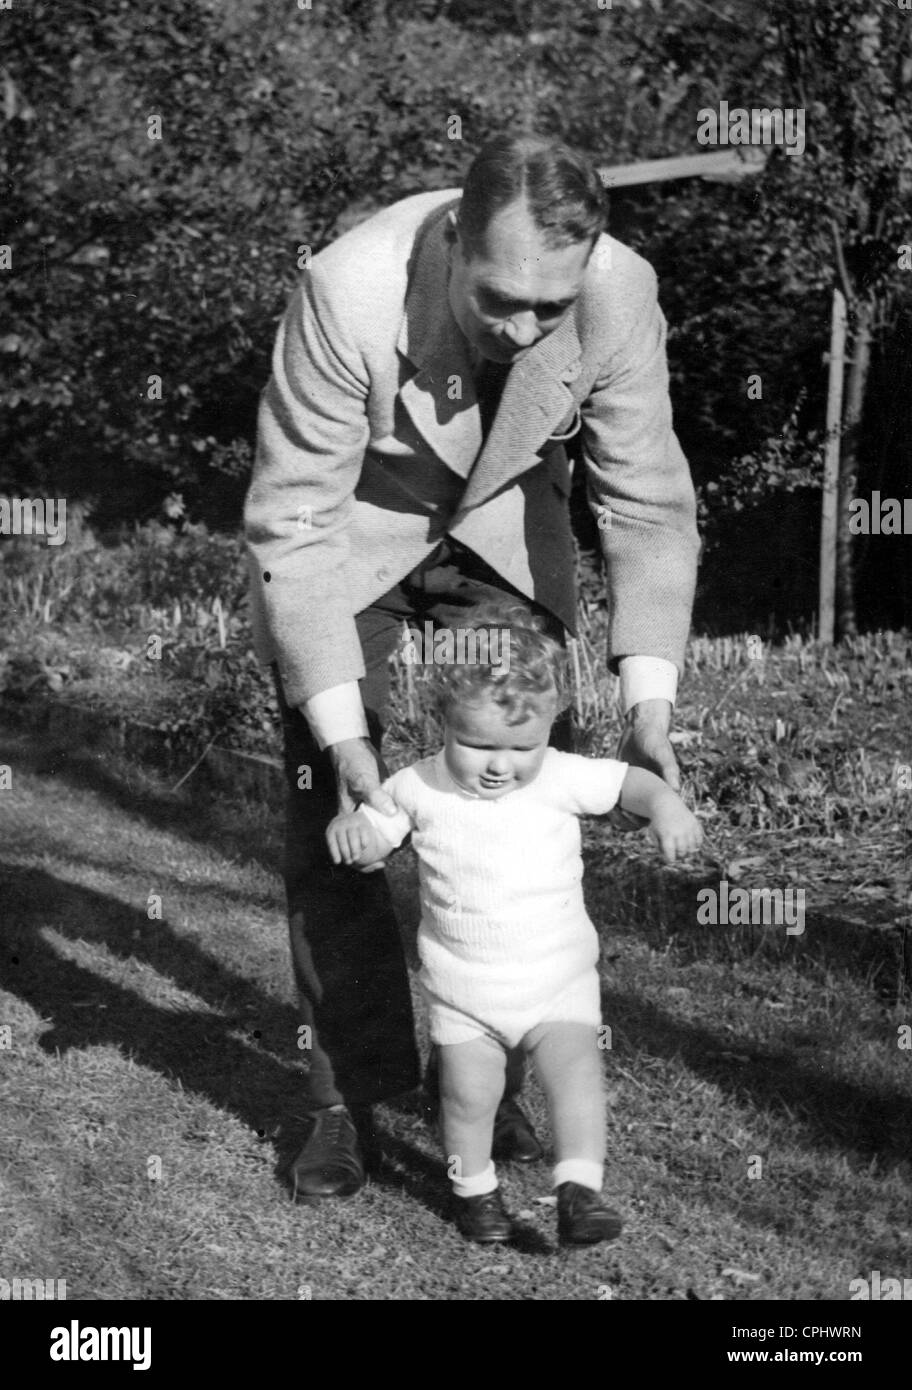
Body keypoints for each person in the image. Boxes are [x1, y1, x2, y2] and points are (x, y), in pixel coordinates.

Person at [243, 133, 700, 1201]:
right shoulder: (345, 287)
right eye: (502, 299)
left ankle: (492, 1073)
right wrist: (347, 741)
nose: (525, 329)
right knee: (333, 819)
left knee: (516, 794)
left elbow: (644, 501)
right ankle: (343, 1100)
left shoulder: (622, 293)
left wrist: (649, 707)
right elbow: (295, 521)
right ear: (454, 235)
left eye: (552, 308)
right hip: (352, 529)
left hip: (501, 524)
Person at [325, 602, 704, 1244]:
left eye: (522, 747)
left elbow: (627, 784)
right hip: (465, 992)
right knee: (467, 1101)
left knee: (576, 1080)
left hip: (557, 981)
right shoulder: (416, 787)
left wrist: (666, 804)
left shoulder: (558, 777)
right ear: (442, 720)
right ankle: (475, 1194)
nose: (501, 765)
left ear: (548, 731)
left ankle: (579, 1192)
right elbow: (377, 835)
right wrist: (354, 833)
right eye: (478, 745)